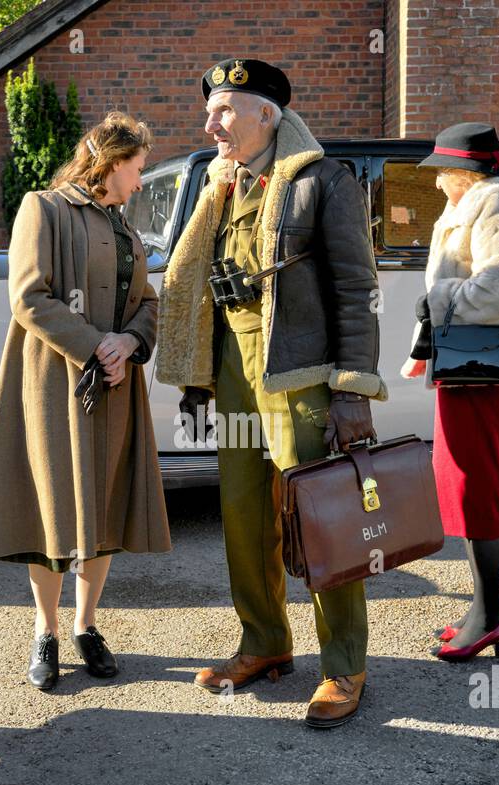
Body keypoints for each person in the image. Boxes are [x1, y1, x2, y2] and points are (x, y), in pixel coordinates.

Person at [157, 58, 385, 728]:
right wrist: (198, 376)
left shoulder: (322, 182)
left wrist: (350, 390)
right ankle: (264, 642)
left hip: (300, 375)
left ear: (267, 114)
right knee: (243, 512)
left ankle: (344, 664)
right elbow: (197, 279)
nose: (211, 124)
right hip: (233, 367)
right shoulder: (218, 183)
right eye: (210, 111)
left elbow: (356, 292)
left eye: (225, 109)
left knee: (324, 520)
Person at [0, 112, 171, 692]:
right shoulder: (43, 208)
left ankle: (86, 627)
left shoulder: (125, 228)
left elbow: (147, 302)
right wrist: (93, 345)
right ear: (109, 164)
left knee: (102, 509)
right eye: (137, 169)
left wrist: (130, 341)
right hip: (57, 384)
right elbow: (28, 296)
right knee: (54, 507)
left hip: (114, 387)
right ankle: (46, 631)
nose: (139, 181)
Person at [401, 122, 499, 661]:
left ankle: (489, 615)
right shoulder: (477, 205)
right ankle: (484, 608)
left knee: (478, 490)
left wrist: (439, 301)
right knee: (469, 489)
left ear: (467, 173)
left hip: (493, 377)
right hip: (474, 370)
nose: (438, 182)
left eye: (443, 171)